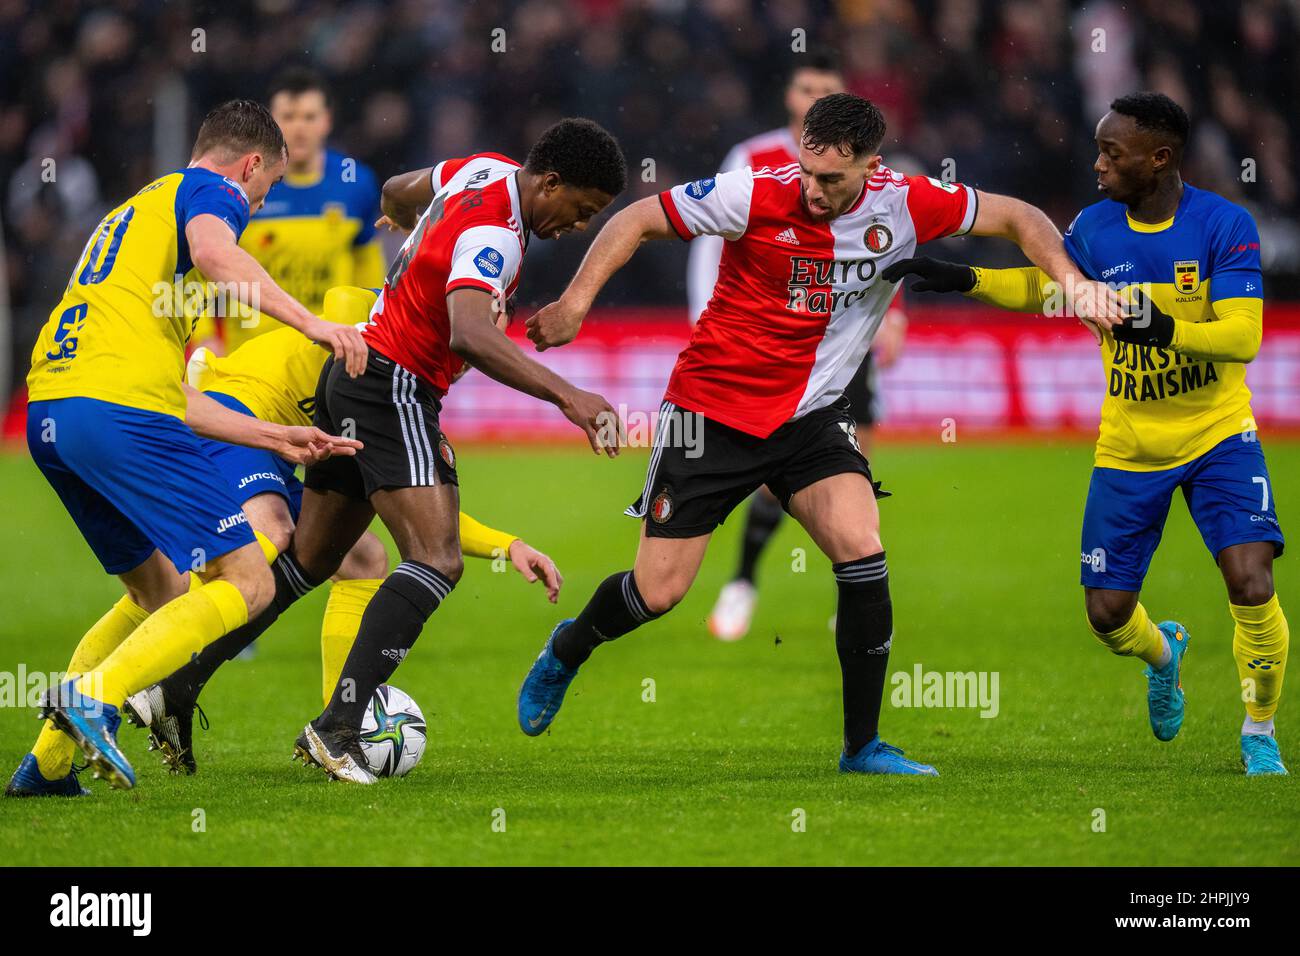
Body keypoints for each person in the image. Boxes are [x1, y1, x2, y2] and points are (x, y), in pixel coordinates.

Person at [519, 92, 1121, 776]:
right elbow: (635, 220)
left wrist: (1072, 284)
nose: (812, 188)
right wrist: (573, 303)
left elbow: (1018, 217)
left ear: (871, 165)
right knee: (658, 592)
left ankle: (862, 747)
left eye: (831, 179)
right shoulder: (753, 193)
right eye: (806, 169)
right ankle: (568, 649)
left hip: (812, 415)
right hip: (710, 414)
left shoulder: (908, 202)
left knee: (861, 548)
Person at [134, 118, 629, 785]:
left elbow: (400, 188)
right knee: (437, 559)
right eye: (582, 210)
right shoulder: (497, 236)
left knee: (311, 560)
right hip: (394, 383)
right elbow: (471, 333)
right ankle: (337, 726)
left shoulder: (480, 167)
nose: (579, 226)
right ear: (550, 182)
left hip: (351, 375)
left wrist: (402, 221)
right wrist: (572, 398)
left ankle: (174, 688)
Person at [882, 92, 1289, 776]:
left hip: (1220, 436)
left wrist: (1157, 327)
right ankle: (1164, 653)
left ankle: (1259, 731)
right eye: (1099, 149)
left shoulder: (1225, 226)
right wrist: (963, 278)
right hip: (1129, 448)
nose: (1098, 164)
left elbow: (1243, 336)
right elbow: (1051, 292)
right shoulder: (1096, 230)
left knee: (1250, 582)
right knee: (1106, 613)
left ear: (1159, 158)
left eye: (1112, 152)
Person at [9, 100, 366, 795]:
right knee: (248, 580)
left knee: (159, 595)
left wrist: (272, 435)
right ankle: (100, 697)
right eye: (261, 196)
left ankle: (46, 768)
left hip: (54, 411)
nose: (253, 211)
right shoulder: (208, 190)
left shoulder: (132, 219)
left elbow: (175, 394)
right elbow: (214, 250)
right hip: (117, 412)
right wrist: (312, 322)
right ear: (251, 165)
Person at [117, 287, 562, 777]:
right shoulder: (393, 341)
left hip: (279, 438)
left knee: (360, 557)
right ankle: (124, 682)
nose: (466, 363)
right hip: (236, 412)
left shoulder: (410, 372)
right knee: (263, 542)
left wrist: (508, 545)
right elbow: (344, 296)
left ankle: (335, 715)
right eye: (475, 346)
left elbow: (414, 507)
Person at [695, 52, 909, 640]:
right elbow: (710, 244)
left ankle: (854, 583)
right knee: (772, 479)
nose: (814, 96)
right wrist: (704, 322)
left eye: (827, 88)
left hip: (844, 339)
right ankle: (743, 580)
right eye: (805, 86)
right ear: (790, 96)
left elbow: (886, 239)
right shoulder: (755, 159)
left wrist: (896, 315)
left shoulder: (868, 175)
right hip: (767, 337)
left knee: (854, 468)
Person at [193, 68, 386, 354]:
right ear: (271, 123)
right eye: (288, 117)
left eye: (309, 117)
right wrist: (204, 336)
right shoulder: (241, 183)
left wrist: (374, 328)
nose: (299, 128)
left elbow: (366, 260)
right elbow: (204, 263)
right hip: (249, 353)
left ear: (326, 121)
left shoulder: (356, 182)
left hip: (326, 351)